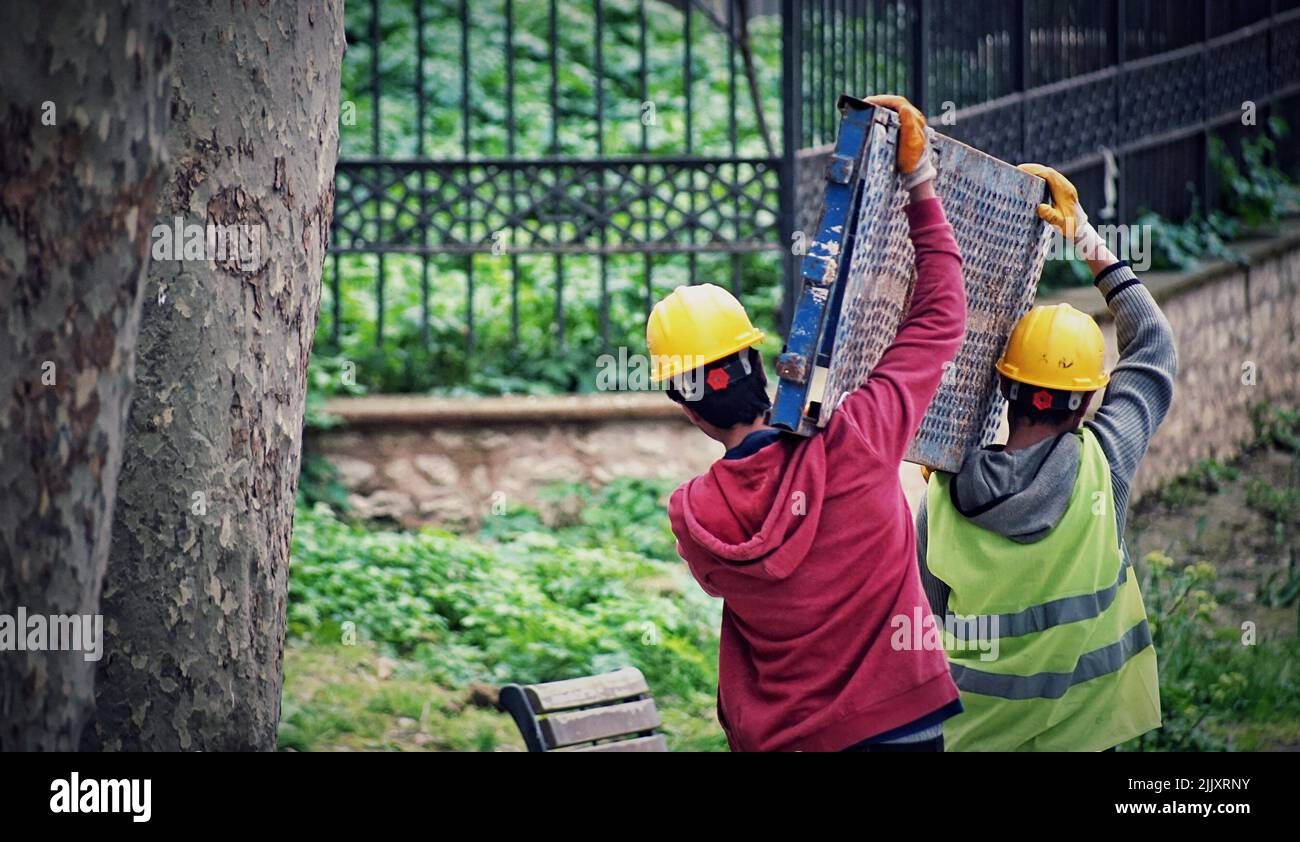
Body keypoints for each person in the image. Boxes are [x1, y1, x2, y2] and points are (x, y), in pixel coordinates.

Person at [646, 95, 967, 751]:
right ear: (761, 363)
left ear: (685, 407)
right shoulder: (860, 437)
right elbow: (940, 316)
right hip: (902, 728)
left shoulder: (696, 517)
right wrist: (919, 183)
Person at [915, 164, 1174, 751]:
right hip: (1086, 735)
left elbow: (915, 628)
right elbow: (1154, 345)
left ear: (1002, 387)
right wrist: (1084, 235)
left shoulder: (944, 499)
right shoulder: (1103, 467)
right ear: (1086, 402)